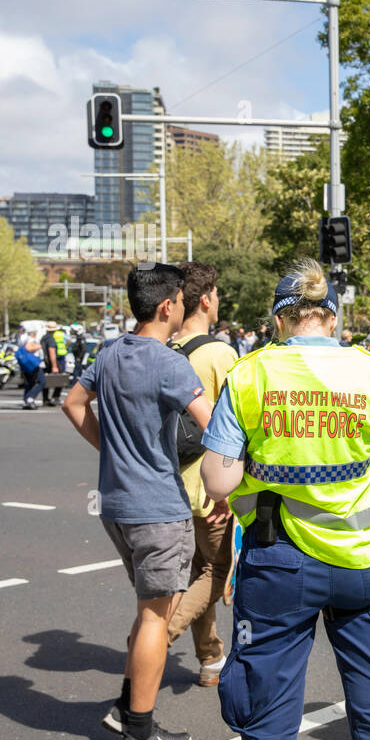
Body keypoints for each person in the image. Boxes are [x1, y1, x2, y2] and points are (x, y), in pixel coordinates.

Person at [197, 259, 370, 740]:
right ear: (332, 319)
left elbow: (218, 479)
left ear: (280, 321)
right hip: (364, 567)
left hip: (279, 562)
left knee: (269, 713)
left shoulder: (252, 373)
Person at [62, 263, 212, 740]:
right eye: (181, 302)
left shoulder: (110, 354)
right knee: (155, 617)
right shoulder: (169, 364)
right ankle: (140, 735)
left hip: (117, 504)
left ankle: (129, 709)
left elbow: (73, 403)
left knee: (147, 610)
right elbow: (213, 426)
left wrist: (108, 449)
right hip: (159, 507)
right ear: (169, 306)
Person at [165, 263, 238, 688]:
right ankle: (157, 638)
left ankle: (210, 658)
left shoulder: (167, 348)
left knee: (198, 571)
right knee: (217, 571)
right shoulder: (220, 353)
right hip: (210, 486)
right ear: (206, 299)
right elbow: (236, 425)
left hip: (172, 484)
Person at [16, 330, 45, 409]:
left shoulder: (24, 339)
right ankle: (30, 398)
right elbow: (28, 348)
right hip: (33, 364)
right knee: (41, 381)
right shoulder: (31, 340)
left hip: (26, 365)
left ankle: (26, 400)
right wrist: (39, 346)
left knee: (29, 383)